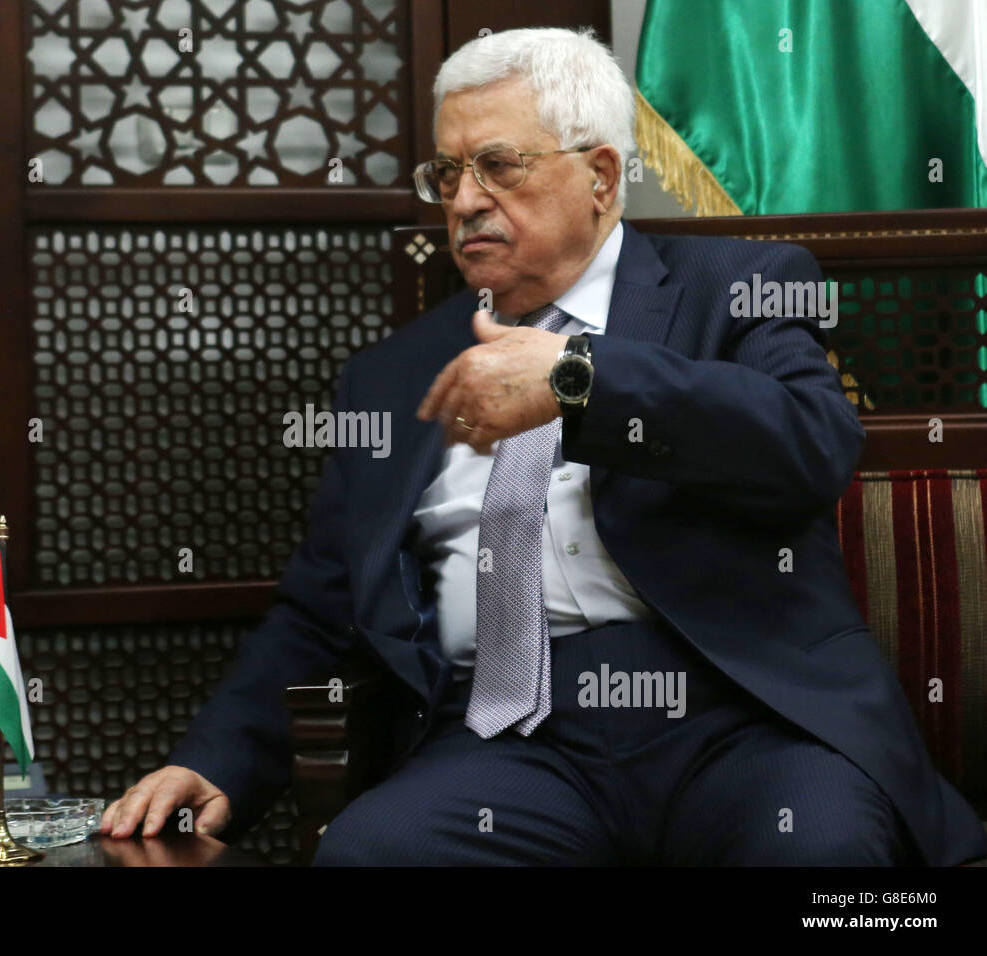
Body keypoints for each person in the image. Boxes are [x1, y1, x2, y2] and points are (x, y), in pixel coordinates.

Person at [101, 27, 987, 865]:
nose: (463, 201)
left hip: (742, 720)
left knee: (817, 852)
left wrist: (581, 379)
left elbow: (810, 443)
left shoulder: (739, 287)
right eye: (447, 173)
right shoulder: (392, 376)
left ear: (600, 175)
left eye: (498, 166)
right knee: (373, 852)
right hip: (508, 743)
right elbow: (322, 607)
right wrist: (217, 760)